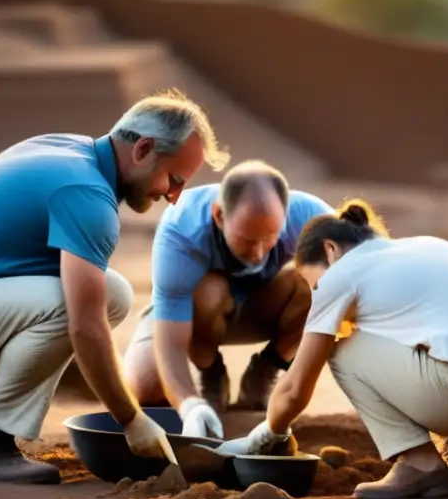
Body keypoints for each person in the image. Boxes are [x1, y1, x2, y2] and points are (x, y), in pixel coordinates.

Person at [0, 90, 229, 484]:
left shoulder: (69, 149)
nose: (174, 196)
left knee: (110, 293)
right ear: (143, 149)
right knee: (76, 307)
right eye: (175, 179)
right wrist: (131, 420)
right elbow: (85, 328)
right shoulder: (87, 196)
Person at [218, 199, 448, 499]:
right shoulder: (431, 246)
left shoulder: (342, 275)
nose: (316, 293)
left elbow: (294, 390)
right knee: (424, 340)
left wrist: (270, 432)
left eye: (313, 283)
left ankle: (420, 465)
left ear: (330, 249)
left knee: (342, 353)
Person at [121, 160, 333, 437]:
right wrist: (189, 404)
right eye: (246, 239)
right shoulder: (182, 227)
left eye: (270, 238)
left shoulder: (310, 216)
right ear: (219, 216)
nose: (258, 253)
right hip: (191, 314)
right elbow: (170, 343)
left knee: (325, 282)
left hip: (266, 305)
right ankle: (211, 373)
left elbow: (369, 266)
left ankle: (265, 371)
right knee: (148, 384)